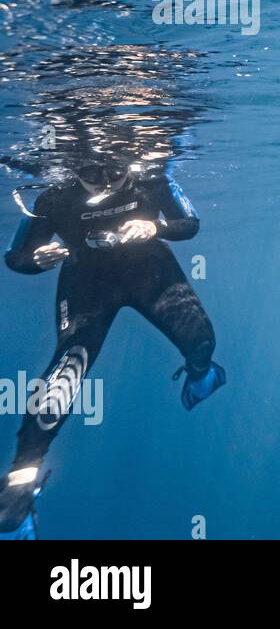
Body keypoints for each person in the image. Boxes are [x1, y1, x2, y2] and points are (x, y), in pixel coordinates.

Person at [0, 160, 224, 539]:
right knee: (62, 380)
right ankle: (19, 490)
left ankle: (201, 373)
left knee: (201, 342)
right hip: (88, 285)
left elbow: (189, 223)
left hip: (151, 272)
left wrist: (156, 226)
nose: (104, 182)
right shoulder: (55, 197)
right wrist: (35, 261)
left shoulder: (151, 180)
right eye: (90, 172)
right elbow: (15, 255)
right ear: (73, 167)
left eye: (115, 172)